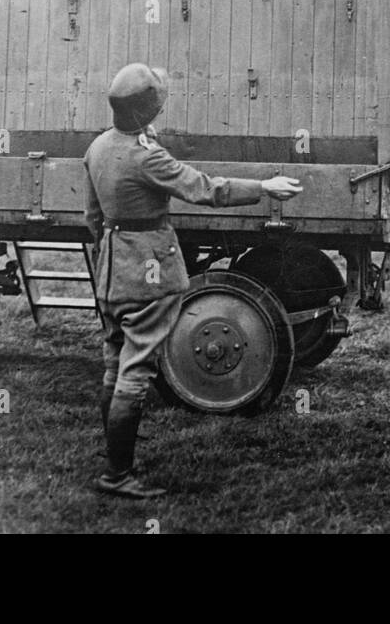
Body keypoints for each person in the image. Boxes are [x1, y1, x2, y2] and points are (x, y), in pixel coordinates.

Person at [83, 61, 303, 499]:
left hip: (110, 268)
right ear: (148, 112)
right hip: (147, 272)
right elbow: (207, 189)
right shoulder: (147, 156)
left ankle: (114, 449)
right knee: (136, 368)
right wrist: (264, 187)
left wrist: (114, 250)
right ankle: (117, 474)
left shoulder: (100, 146)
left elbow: (92, 217)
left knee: (115, 357)